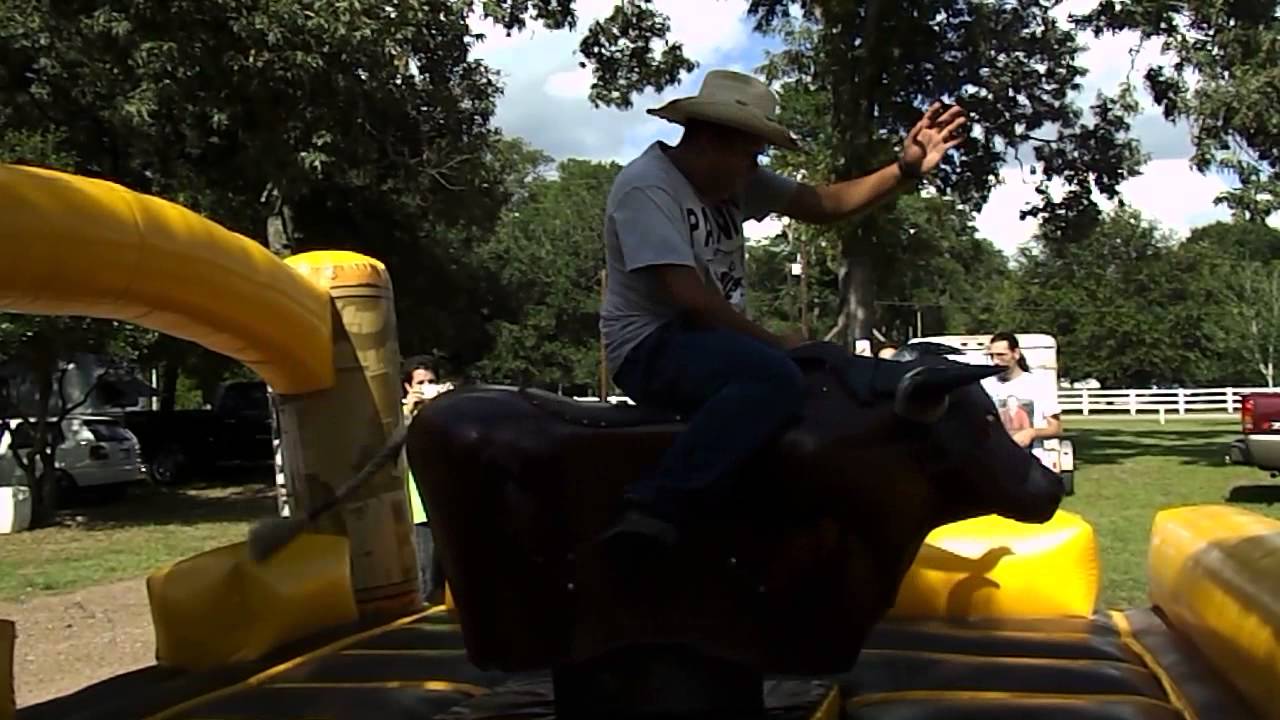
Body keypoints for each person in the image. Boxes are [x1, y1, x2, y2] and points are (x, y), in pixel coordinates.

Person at [597, 69, 968, 552]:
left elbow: (824, 203)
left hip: (711, 340)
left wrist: (904, 169)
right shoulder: (647, 188)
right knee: (773, 377)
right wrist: (777, 344)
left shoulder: (733, 177)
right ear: (709, 139)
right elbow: (691, 299)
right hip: (649, 346)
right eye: (751, 155)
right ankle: (653, 508)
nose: (754, 169)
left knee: (831, 370)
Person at [401, 356, 452, 605]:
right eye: (420, 383)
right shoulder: (402, 415)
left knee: (447, 573)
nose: (427, 387)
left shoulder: (443, 413)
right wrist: (409, 411)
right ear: (408, 387)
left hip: (446, 504)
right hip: (419, 507)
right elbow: (393, 448)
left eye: (432, 382)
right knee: (426, 575)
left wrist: (451, 401)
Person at [980, 332, 1062, 470]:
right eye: (992, 356)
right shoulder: (984, 385)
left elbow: (1056, 428)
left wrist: (1031, 433)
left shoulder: (1038, 384)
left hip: (1031, 463)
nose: (996, 361)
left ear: (1016, 354)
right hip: (994, 462)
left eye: (1001, 355)